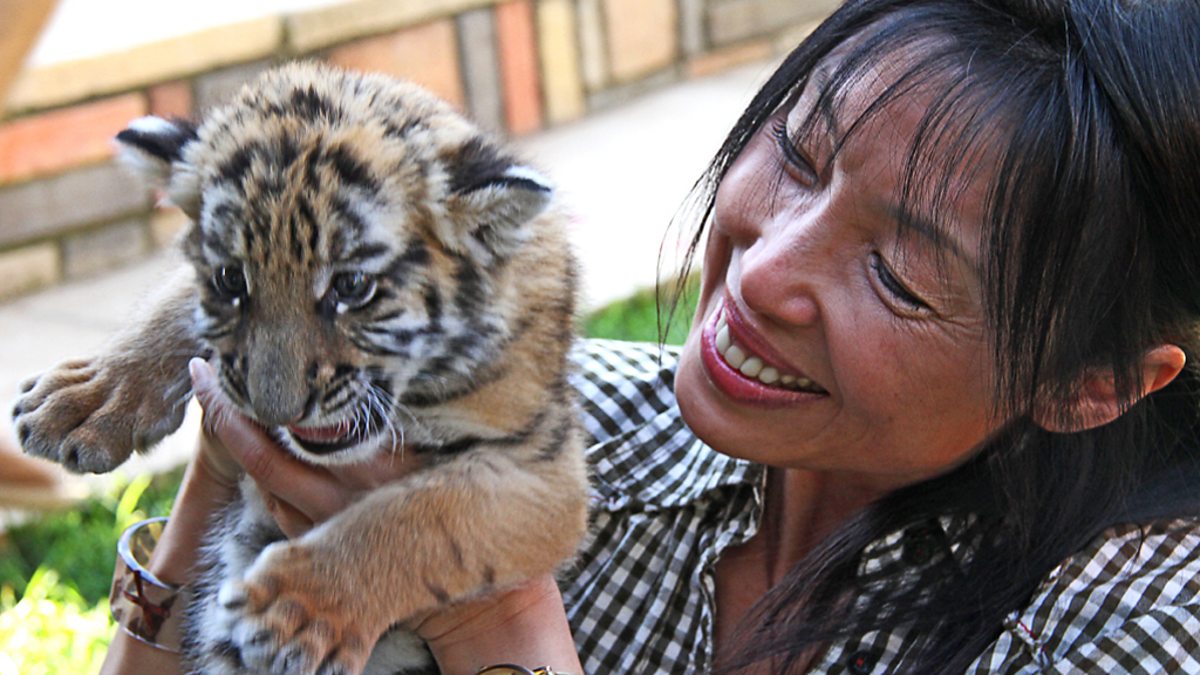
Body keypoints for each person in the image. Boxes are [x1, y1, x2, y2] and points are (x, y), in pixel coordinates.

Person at [101, 0, 1200, 672]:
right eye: (802, 158)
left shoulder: (1136, 640)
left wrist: (491, 608)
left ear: (1090, 384)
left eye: (899, 274)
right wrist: (222, 477)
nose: (763, 273)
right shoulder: (579, 430)